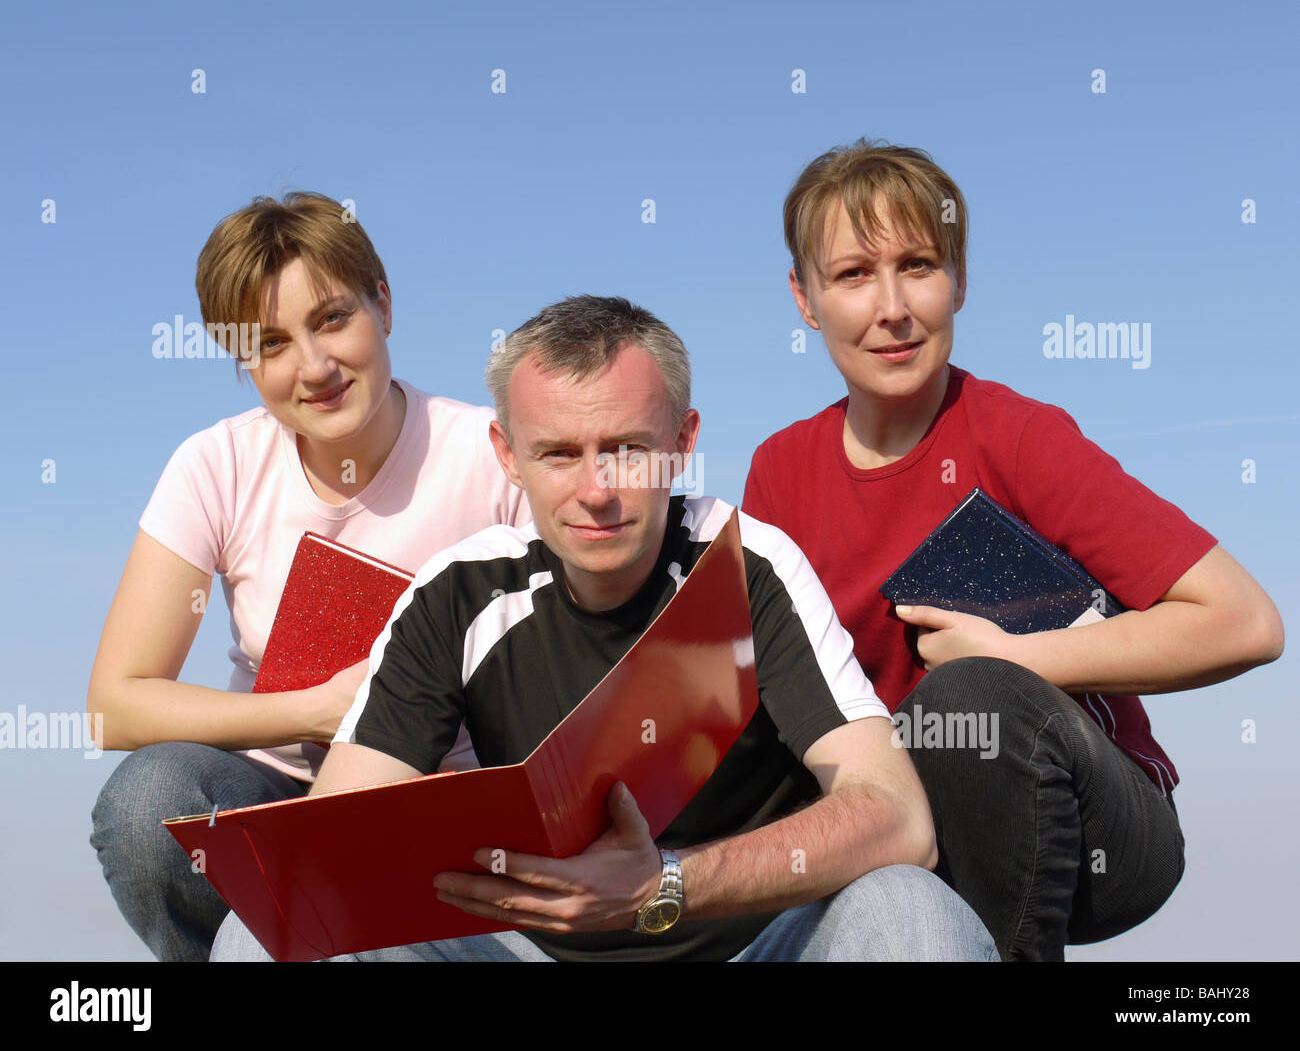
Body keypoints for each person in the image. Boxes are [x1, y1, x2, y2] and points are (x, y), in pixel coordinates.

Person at [210, 294, 998, 962]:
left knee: (907, 910)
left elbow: (898, 818)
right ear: (507, 455)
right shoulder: (456, 593)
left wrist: (663, 885)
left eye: (627, 450)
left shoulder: (750, 565)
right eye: (558, 453)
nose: (597, 491)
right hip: (538, 953)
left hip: (750, 947)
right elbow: (331, 843)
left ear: (684, 444)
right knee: (268, 929)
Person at [742, 140, 1285, 961]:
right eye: (853, 274)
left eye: (919, 265)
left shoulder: (1019, 435)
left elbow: (1245, 623)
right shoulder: (780, 469)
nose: (892, 307)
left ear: (959, 279)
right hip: (902, 831)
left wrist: (1021, 657)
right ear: (805, 298)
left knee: (970, 700)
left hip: (1094, 826)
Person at [88, 193, 529, 961]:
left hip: (437, 800)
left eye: (331, 319)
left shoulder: (490, 456)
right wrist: (314, 711)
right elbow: (114, 705)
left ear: (383, 304)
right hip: (269, 788)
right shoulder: (215, 464)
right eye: (271, 344)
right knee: (146, 804)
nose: (315, 367)